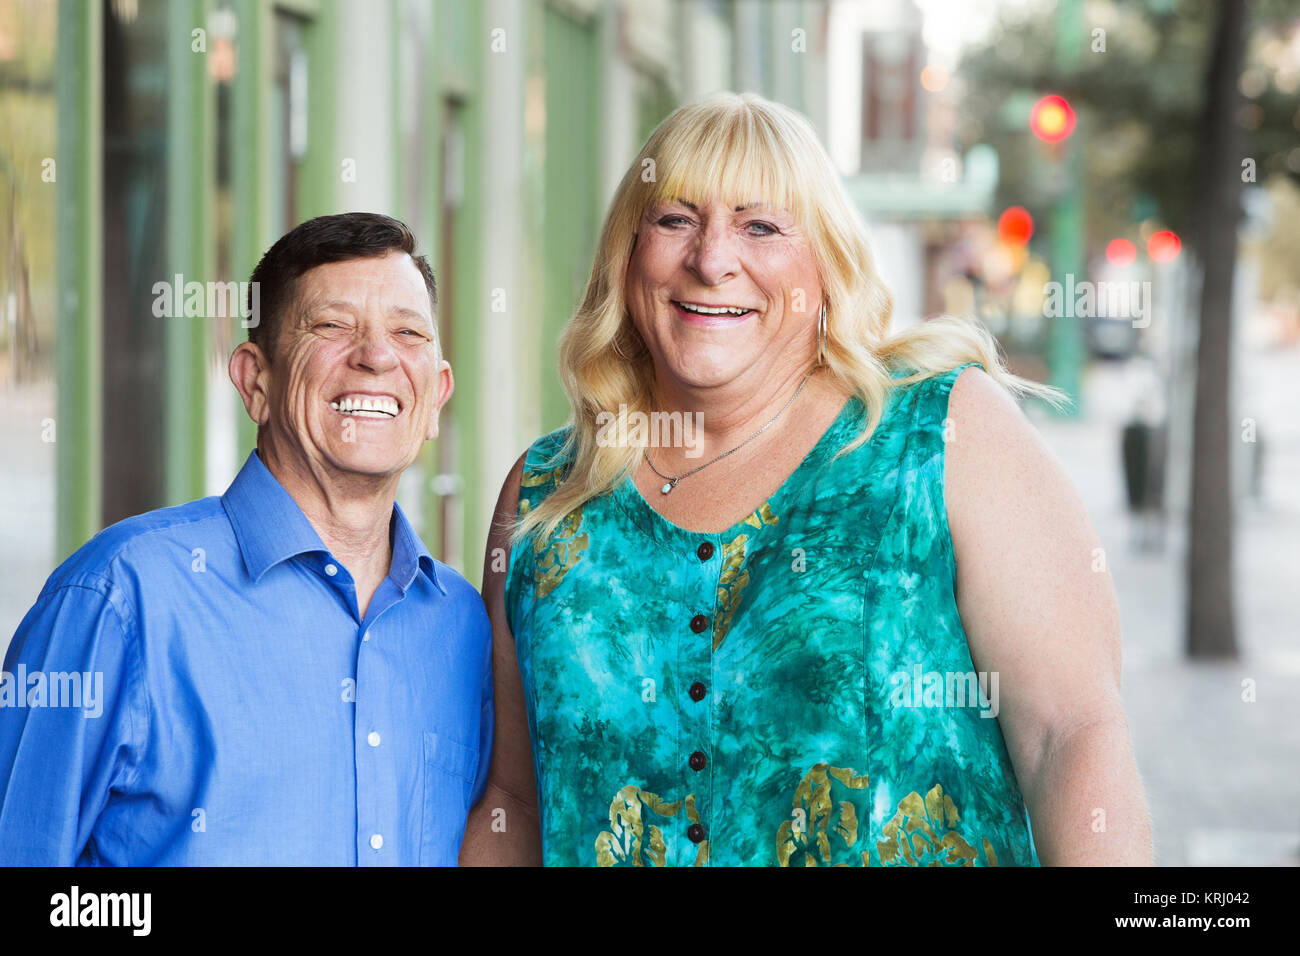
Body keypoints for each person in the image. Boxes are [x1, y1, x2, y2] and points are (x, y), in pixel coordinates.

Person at [462, 93, 1151, 867]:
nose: (713, 258)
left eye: (761, 226)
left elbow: (1072, 734)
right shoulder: (548, 495)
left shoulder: (943, 436)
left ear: (825, 266)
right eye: (676, 219)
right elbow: (513, 803)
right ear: (627, 257)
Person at [0, 213, 492, 865]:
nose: (376, 356)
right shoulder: (118, 599)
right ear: (254, 380)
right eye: (332, 326)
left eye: (407, 332)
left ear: (436, 397)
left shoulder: (464, 629)